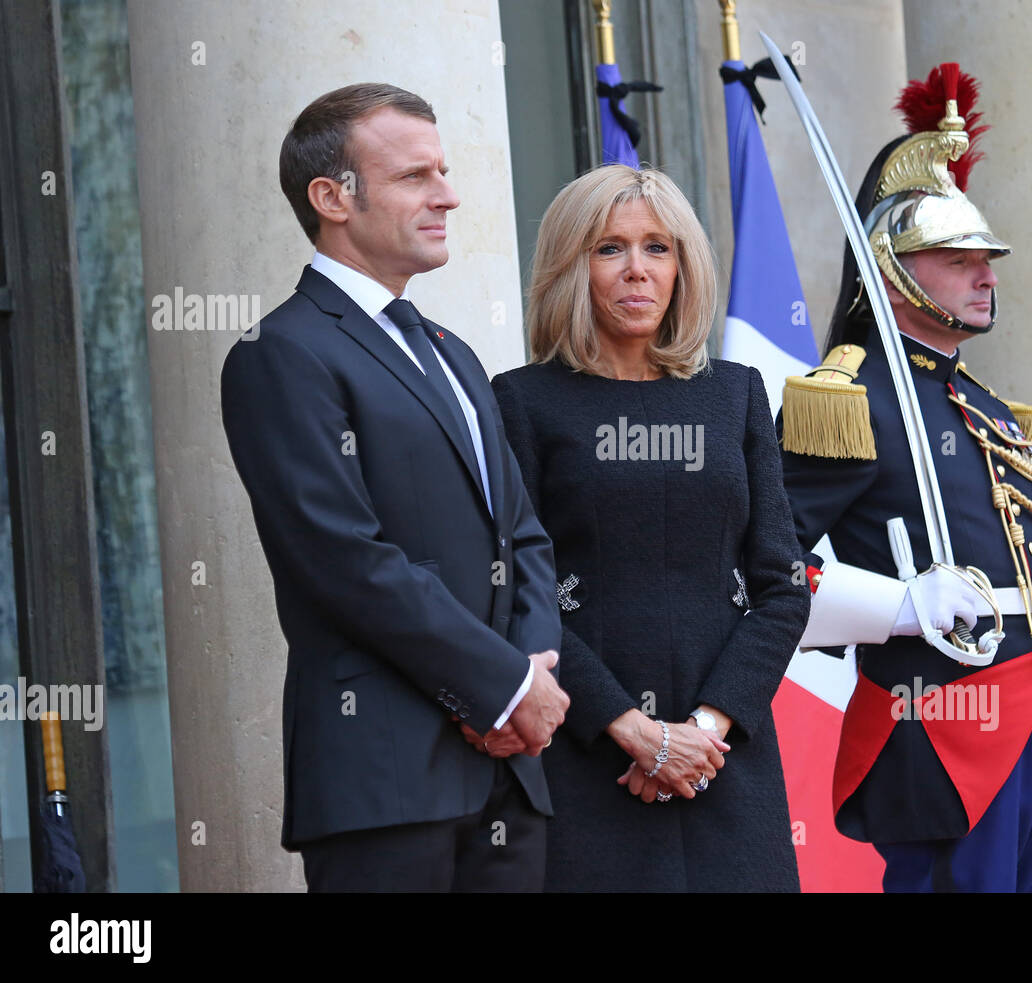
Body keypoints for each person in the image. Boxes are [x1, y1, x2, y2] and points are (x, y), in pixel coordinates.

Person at [220, 82, 570, 892]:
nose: (447, 193)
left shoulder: (450, 350)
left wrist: (529, 677)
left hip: (509, 777)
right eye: (417, 176)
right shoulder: (280, 352)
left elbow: (522, 536)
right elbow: (345, 559)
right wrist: (503, 688)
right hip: (382, 780)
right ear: (331, 197)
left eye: (443, 170)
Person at [778, 64, 1032, 892]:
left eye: (985, 257)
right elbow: (759, 566)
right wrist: (895, 604)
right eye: (957, 259)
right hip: (939, 724)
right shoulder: (848, 398)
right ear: (893, 269)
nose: (987, 274)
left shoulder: (987, 406)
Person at [489, 165, 809, 892]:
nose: (637, 270)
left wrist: (702, 731)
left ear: (683, 265)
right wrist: (633, 731)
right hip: (588, 761)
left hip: (724, 764)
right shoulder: (522, 402)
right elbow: (514, 595)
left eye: (658, 247)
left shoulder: (736, 396)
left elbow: (783, 589)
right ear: (573, 266)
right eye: (610, 249)